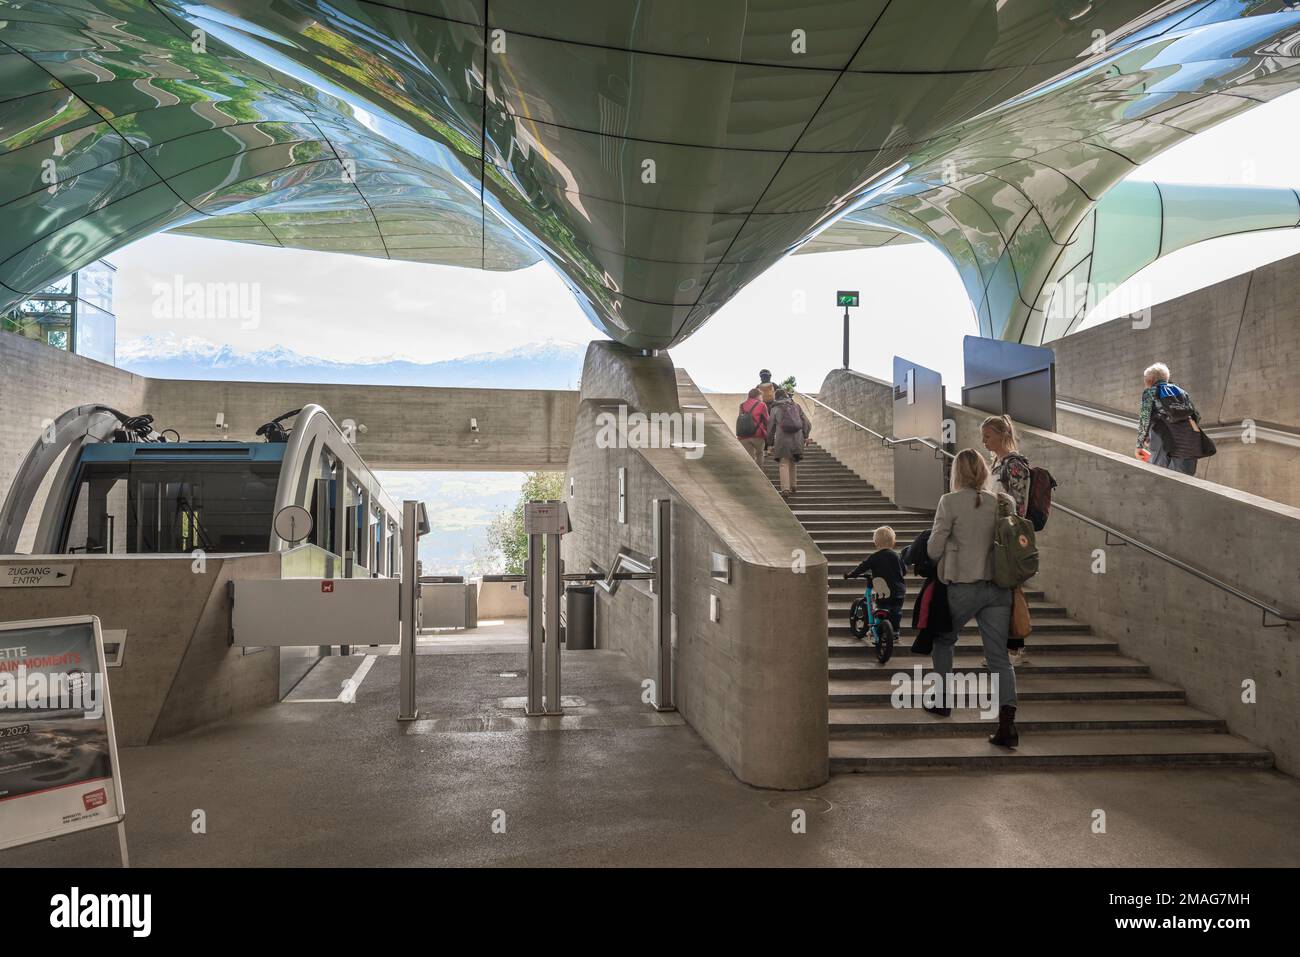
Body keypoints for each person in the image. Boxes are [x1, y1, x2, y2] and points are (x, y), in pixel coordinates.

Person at [925, 448, 1019, 749]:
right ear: (983, 472)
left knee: (943, 640)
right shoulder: (1002, 502)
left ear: (957, 473)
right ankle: (1007, 725)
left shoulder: (950, 501)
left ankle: (942, 701)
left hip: (962, 586)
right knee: (999, 658)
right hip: (998, 588)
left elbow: (933, 549)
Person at [981, 414, 1031, 666]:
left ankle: (1015, 649)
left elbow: (1019, 505)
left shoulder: (1014, 464)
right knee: (1002, 594)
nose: (984, 441)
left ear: (1002, 435)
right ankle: (1001, 651)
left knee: (1012, 591)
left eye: (988, 436)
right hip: (996, 534)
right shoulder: (996, 464)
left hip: (1009, 536)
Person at [1136, 362, 1202, 476]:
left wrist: (1139, 445)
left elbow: (1144, 419)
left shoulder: (1150, 392)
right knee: (1182, 478)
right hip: (1187, 439)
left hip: (1163, 437)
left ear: (1150, 380)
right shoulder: (1181, 392)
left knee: (1159, 475)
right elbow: (1196, 415)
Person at [842, 526, 906, 637]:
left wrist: (852, 574)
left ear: (876, 542)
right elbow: (904, 571)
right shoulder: (898, 556)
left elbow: (863, 567)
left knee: (881, 609)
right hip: (899, 591)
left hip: (885, 592)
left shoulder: (875, 557)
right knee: (896, 612)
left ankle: (877, 630)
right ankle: (895, 631)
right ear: (893, 542)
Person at [768, 388, 811, 496]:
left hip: (782, 439)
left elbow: (771, 427)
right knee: (793, 461)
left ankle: (785, 489)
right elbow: (807, 422)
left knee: (784, 463)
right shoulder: (796, 406)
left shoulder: (775, 408)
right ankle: (793, 485)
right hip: (797, 438)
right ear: (786, 395)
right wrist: (805, 435)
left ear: (776, 397)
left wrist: (769, 443)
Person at [736, 388, 769, 466]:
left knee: (749, 458)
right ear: (758, 396)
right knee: (759, 454)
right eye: (761, 396)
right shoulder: (762, 405)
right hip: (758, 435)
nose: (762, 398)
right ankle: (760, 471)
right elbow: (767, 420)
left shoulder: (742, 405)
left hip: (744, 435)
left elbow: (741, 418)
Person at [755, 370, 777, 458]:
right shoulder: (774, 385)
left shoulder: (758, 386)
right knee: (772, 428)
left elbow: (754, 398)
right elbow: (780, 395)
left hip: (761, 409)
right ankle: (770, 447)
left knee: (763, 428)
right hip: (772, 408)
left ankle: (765, 448)